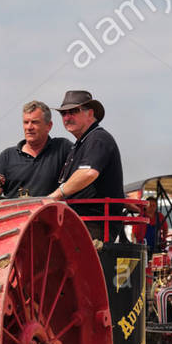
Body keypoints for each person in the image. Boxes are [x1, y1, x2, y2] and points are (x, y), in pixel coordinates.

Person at [45, 90, 124, 238]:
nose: (67, 117)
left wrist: (54, 196)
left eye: (73, 111)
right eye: (63, 113)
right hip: (82, 221)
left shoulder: (97, 138)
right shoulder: (81, 144)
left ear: (90, 113)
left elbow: (88, 173)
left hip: (94, 225)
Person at [0, 101, 71, 198]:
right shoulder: (7, 155)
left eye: (35, 122)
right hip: (14, 212)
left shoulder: (62, 148)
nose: (29, 127)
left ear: (49, 126)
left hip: (49, 212)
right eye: (26, 122)